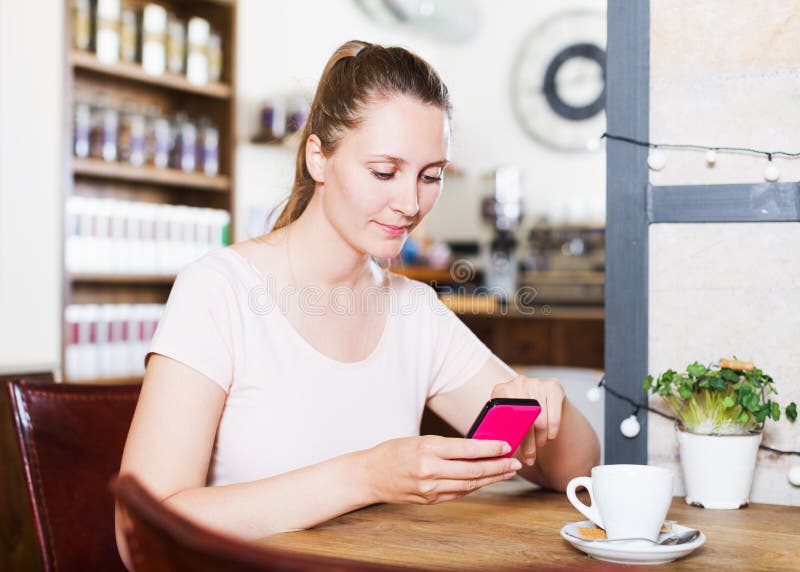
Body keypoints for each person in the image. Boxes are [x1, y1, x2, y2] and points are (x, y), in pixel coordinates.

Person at [115, 40, 599, 568]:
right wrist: (365, 475)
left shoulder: (415, 312)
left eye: (430, 175)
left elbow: (574, 471)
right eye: (385, 172)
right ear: (318, 156)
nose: (411, 203)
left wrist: (549, 406)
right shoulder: (219, 291)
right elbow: (139, 527)